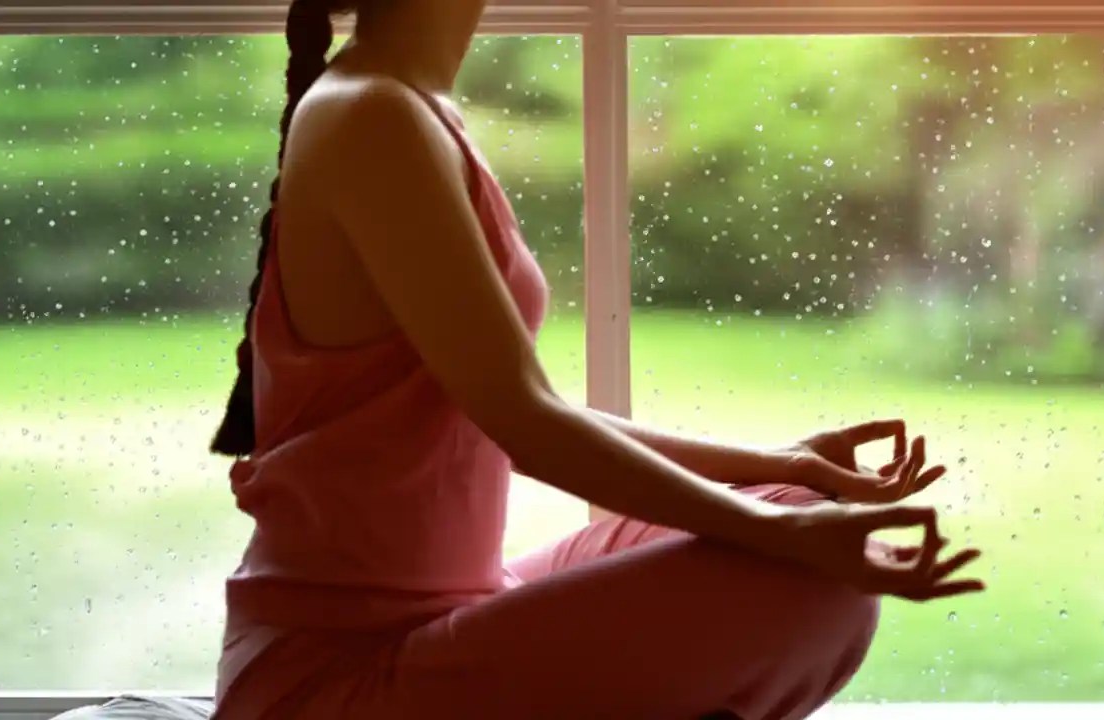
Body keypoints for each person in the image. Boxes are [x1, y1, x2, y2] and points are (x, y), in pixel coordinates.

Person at [208, 0, 986, 718]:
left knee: (797, 512)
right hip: (336, 678)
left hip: (460, 608)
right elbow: (523, 418)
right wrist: (778, 539)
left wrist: (782, 464)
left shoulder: (410, 107)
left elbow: (508, 409)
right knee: (814, 578)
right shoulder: (372, 116)